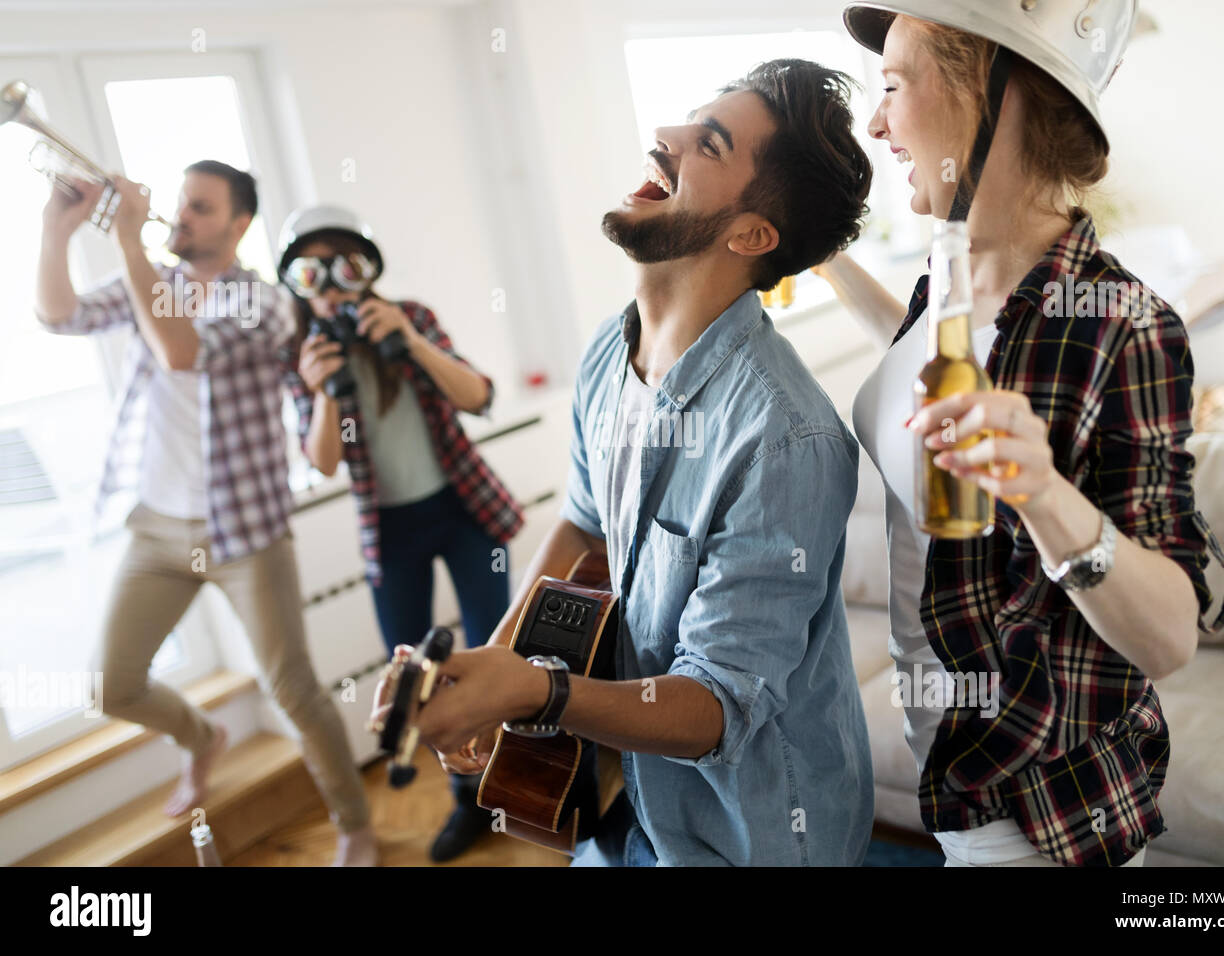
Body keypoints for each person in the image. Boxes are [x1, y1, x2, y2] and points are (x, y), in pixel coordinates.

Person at [373, 59, 876, 866]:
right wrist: (492, 669)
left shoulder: (787, 439)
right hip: (626, 796)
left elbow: (717, 705)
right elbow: (584, 524)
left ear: (750, 235)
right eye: (687, 121)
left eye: (707, 142)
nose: (665, 138)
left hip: (753, 833)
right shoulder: (612, 352)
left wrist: (536, 691)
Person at [839, 1, 1224, 866]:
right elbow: (923, 373)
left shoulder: (1123, 323)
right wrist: (829, 258)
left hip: (1035, 814)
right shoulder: (949, 273)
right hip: (941, 764)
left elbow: (1170, 636)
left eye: (894, 87)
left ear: (993, 91)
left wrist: (1042, 493)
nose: (875, 122)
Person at [34, 162, 377, 865]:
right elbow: (58, 315)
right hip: (157, 527)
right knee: (111, 682)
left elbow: (180, 352)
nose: (181, 217)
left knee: (296, 692)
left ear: (239, 224)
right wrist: (56, 226)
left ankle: (355, 823)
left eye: (200, 207)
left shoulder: (265, 304)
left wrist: (130, 242)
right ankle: (200, 738)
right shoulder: (154, 285)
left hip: (247, 533)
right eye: (181, 204)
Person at [279, 205, 523, 862]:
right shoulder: (302, 356)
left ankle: (531, 784)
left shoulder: (410, 316)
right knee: (412, 671)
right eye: (312, 272)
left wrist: (410, 344)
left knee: (497, 651)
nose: (332, 284)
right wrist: (326, 388)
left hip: (464, 509)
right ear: (295, 283)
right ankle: (466, 803)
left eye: (346, 266)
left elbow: (479, 395)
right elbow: (323, 460)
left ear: (368, 269)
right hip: (389, 530)